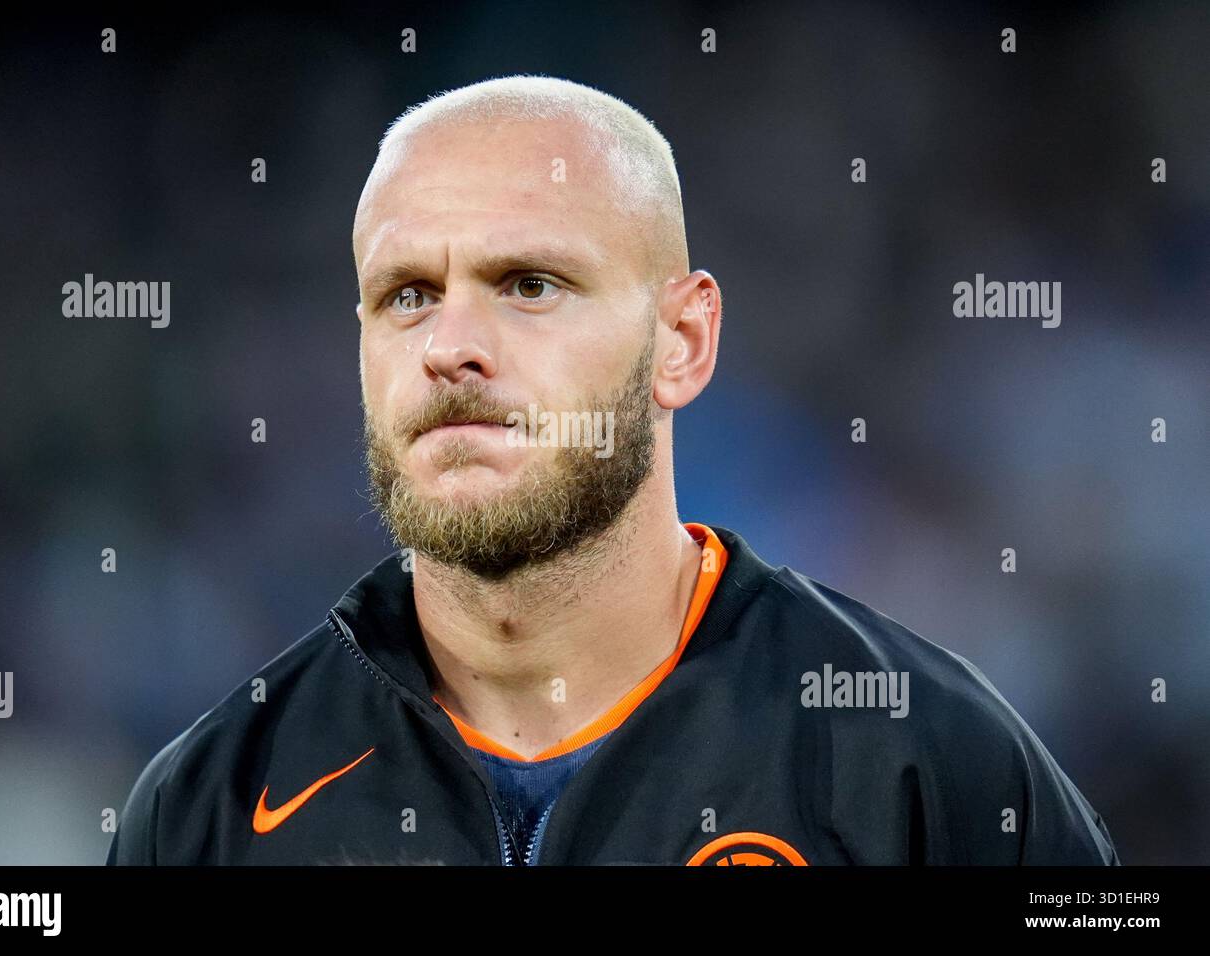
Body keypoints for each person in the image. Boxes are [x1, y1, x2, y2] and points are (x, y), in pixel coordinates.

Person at [108, 75, 1118, 865]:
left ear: (680, 339)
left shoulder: (929, 769)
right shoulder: (206, 806)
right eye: (407, 294)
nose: (449, 344)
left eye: (529, 283)